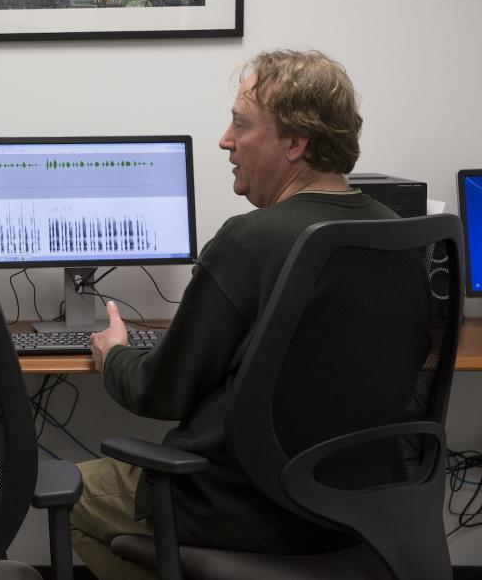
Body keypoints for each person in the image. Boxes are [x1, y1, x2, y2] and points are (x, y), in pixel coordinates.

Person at [70, 50, 398, 578]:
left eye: (240, 124)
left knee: (69, 497)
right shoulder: (399, 238)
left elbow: (161, 392)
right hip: (360, 506)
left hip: (239, 507)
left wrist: (114, 354)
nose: (225, 139)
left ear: (295, 143)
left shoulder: (251, 241)